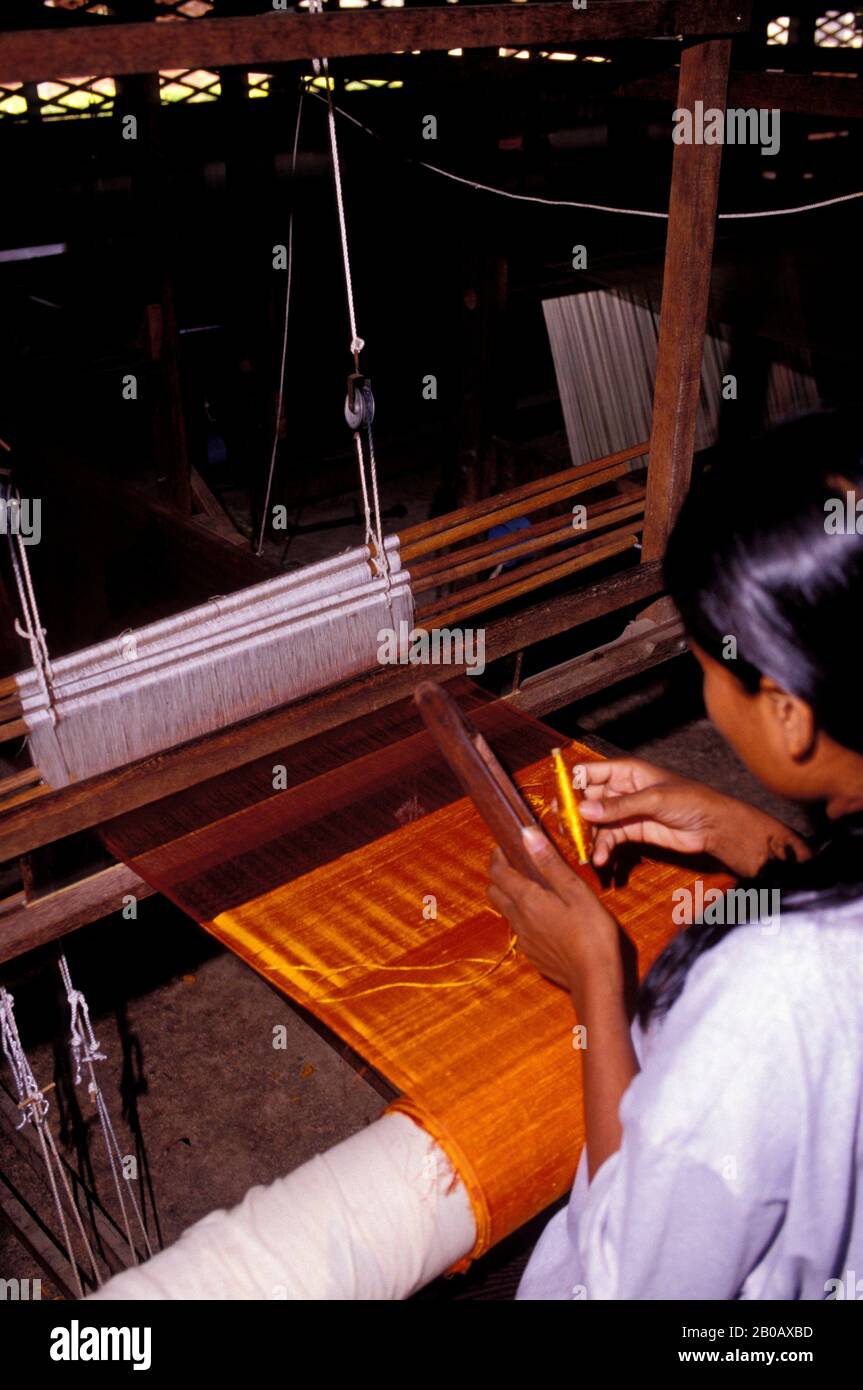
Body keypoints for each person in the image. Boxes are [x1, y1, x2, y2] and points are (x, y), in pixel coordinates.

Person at [487, 409, 863, 1299]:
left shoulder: (765, 996)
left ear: (788, 714)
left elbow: (636, 1280)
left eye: (708, 665)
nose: (705, 694)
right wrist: (728, 826)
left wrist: (596, 978)